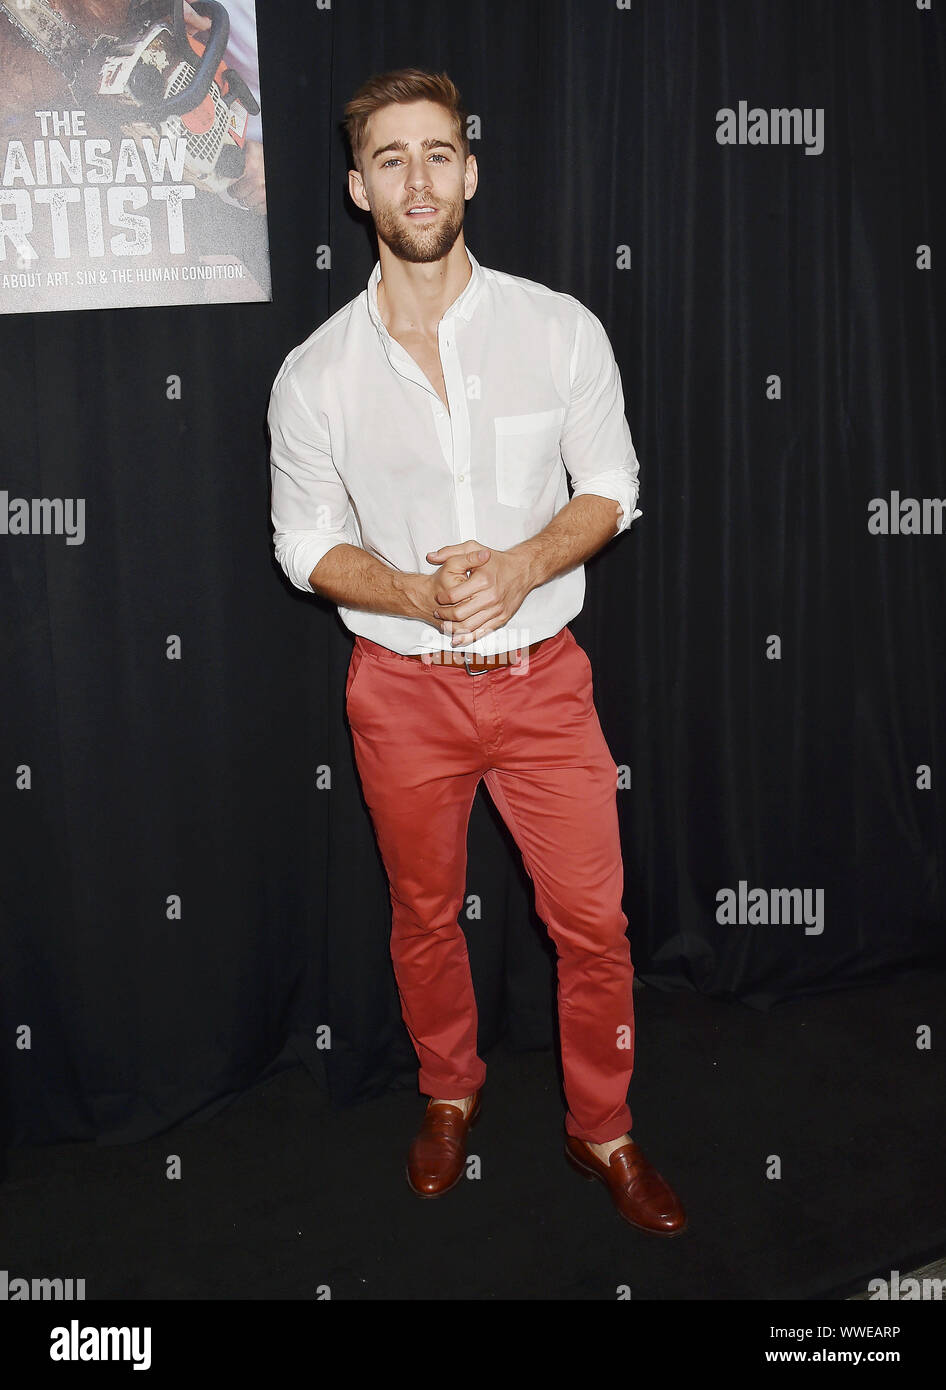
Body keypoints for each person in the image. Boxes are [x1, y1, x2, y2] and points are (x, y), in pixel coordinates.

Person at [267, 67, 686, 1236]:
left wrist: (516, 566)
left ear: (471, 170)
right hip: (398, 692)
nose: (418, 176)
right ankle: (449, 1089)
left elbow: (611, 485)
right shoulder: (315, 373)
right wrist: (405, 586)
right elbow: (302, 544)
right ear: (358, 188)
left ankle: (599, 1125)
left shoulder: (558, 327)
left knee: (592, 923)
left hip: (545, 682)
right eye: (391, 158)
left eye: (438, 152)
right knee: (422, 912)